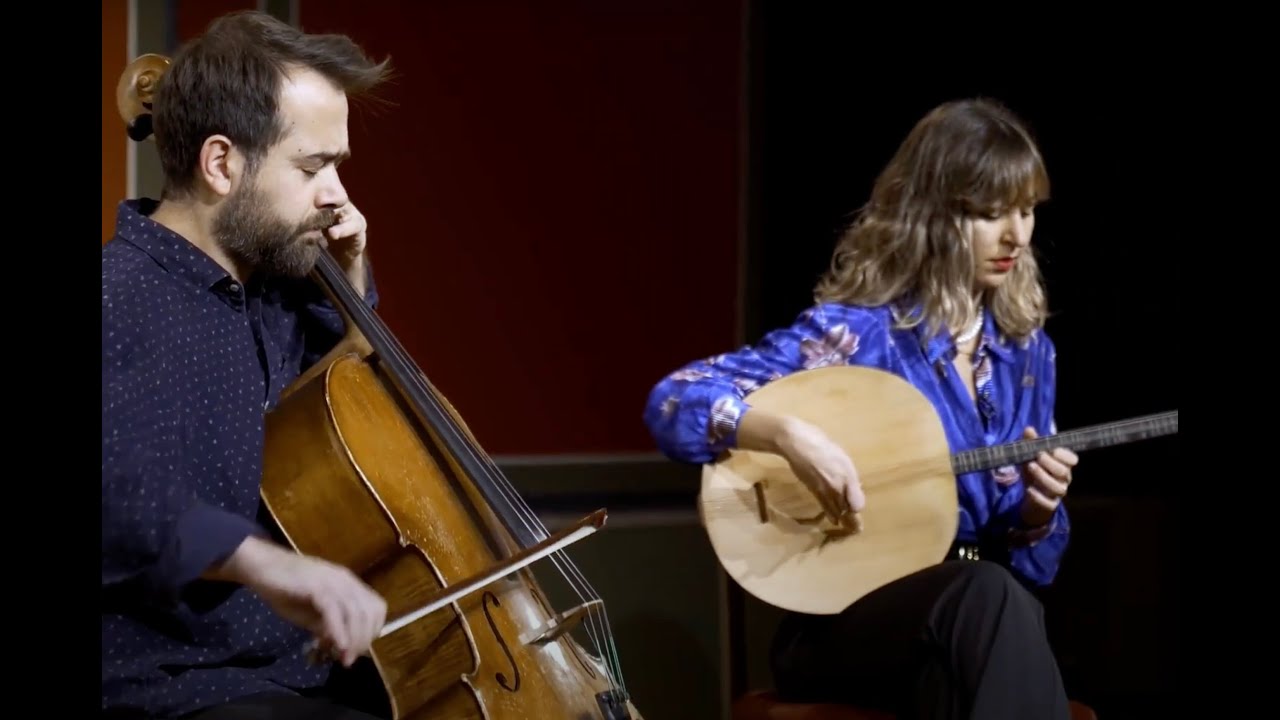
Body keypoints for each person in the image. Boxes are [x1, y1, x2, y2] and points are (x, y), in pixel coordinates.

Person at [643, 98, 1080, 720]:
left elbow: (1035, 569)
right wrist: (787, 434)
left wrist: (1038, 513)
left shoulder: (1027, 353)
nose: (1017, 235)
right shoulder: (860, 336)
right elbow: (673, 401)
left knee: (984, 632)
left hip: (968, 626)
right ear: (933, 215)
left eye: (1027, 210)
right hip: (846, 626)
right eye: (990, 214)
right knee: (991, 601)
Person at [103, 11, 397, 720]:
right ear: (221, 164)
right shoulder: (119, 295)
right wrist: (271, 565)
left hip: (301, 670)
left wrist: (350, 285)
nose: (336, 195)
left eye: (337, 166)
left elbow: (353, 411)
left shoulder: (278, 292)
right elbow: (122, 490)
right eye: (311, 167)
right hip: (177, 687)